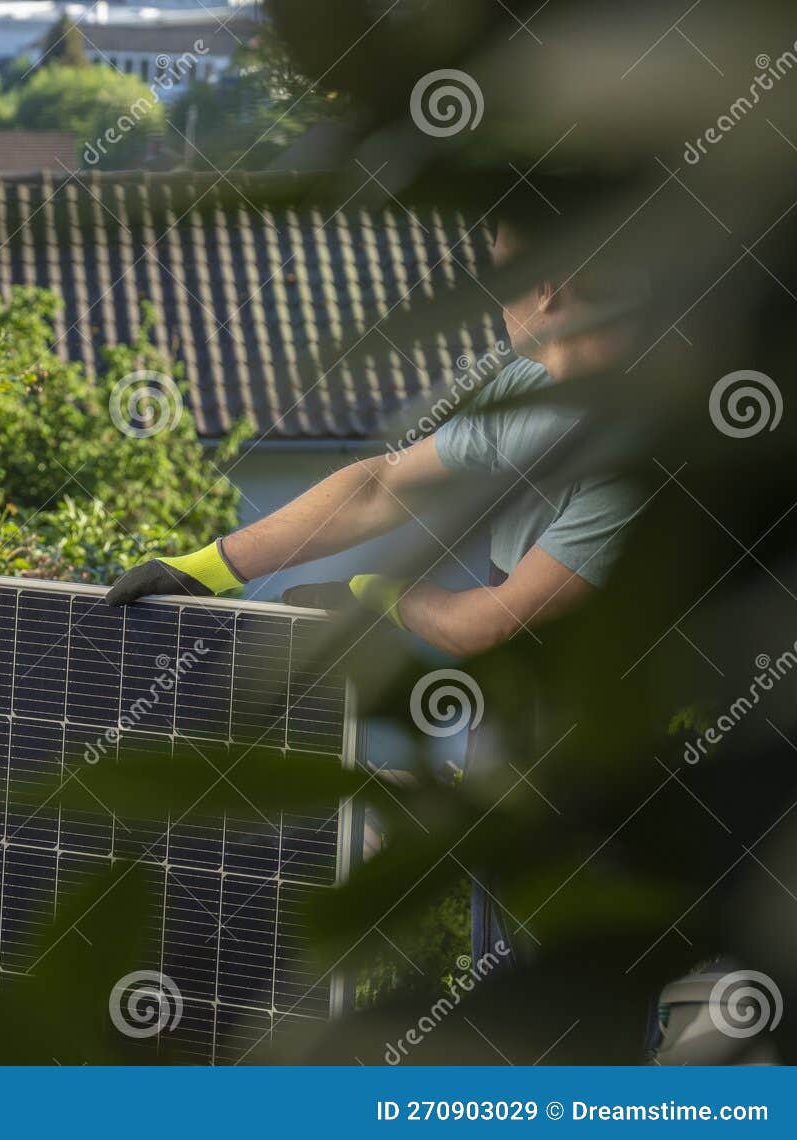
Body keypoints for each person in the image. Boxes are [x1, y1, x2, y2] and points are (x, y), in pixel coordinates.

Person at [106, 206, 650, 968]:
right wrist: (209, 566)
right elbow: (381, 487)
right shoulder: (525, 389)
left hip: (612, 758)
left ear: (547, 288)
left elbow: (491, 622)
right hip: (511, 740)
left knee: (583, 979)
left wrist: (377, 596)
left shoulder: (643, 437)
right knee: (505, 965)